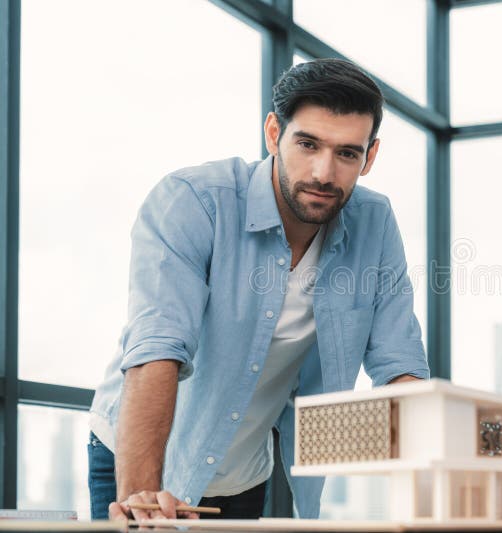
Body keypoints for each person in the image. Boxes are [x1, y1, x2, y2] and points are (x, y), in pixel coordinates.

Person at [88, 58, 429, 521]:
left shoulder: (374, 223)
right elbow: (157, 348)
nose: (324, 173)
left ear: (369, 157)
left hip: (246, 474)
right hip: (140, 460)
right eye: (307, 144)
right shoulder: (193, 201)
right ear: (274, 133)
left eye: (347, 153)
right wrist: (141, 497)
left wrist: (440, 493)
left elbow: (399, 365)